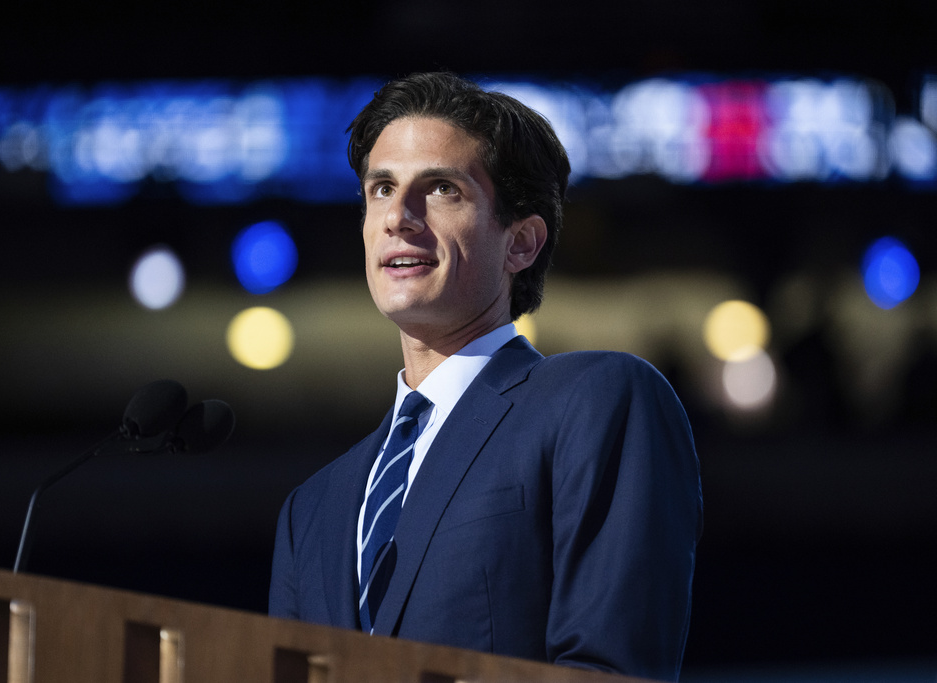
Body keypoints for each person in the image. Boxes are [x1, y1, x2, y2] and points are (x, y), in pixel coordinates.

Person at [268, 72, 703, 682]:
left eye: (441, 188)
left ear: (520, 242)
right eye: (381, 188)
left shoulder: (595, 401)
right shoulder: (310, 510)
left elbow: (609, 669)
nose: (399, 216)